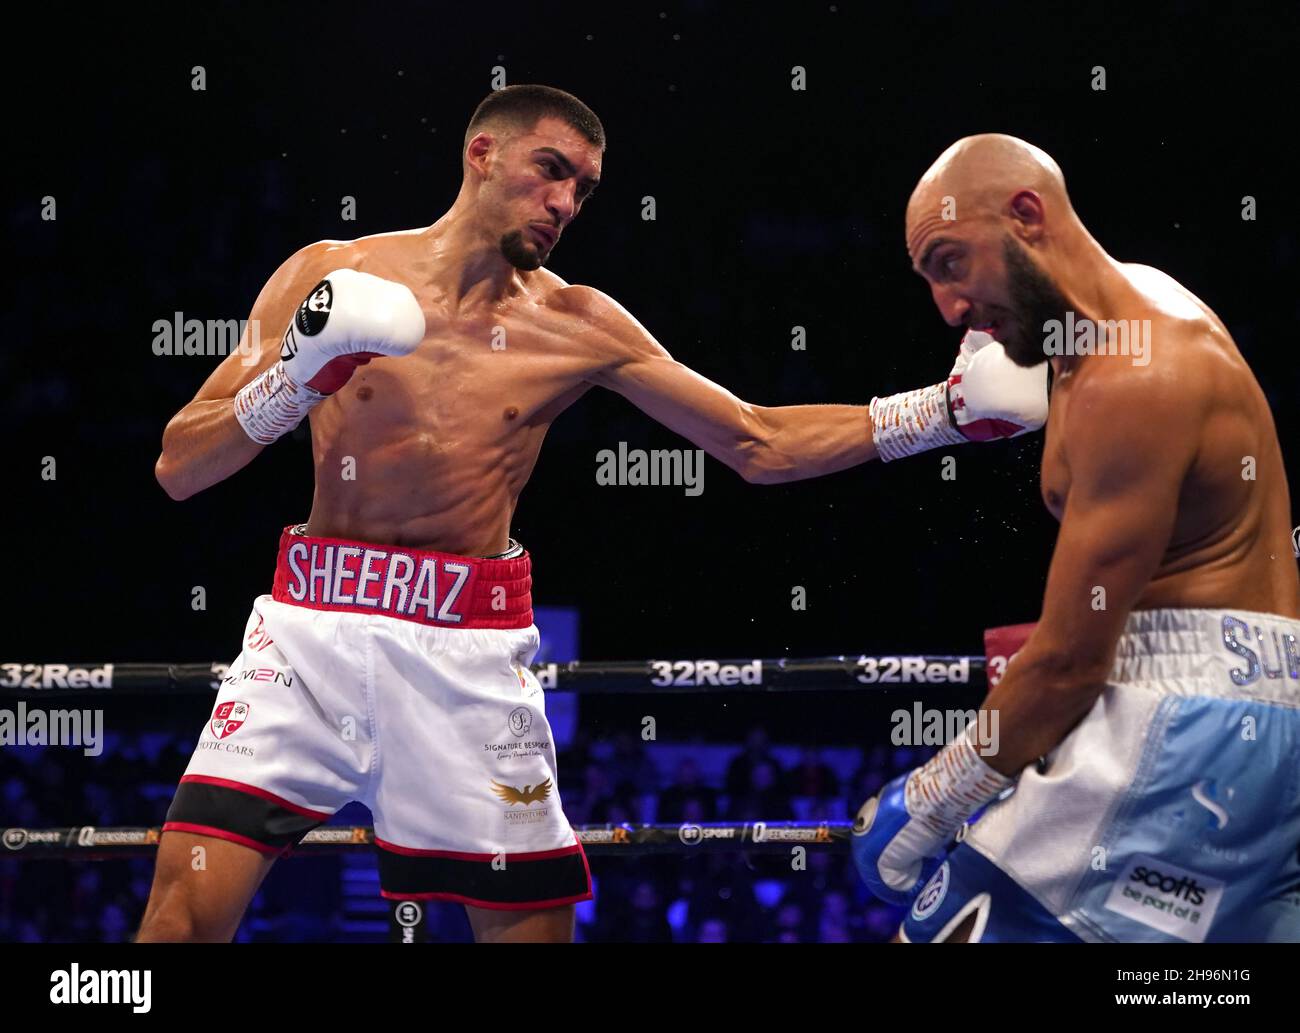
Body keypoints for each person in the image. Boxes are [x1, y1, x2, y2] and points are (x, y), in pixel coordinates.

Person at [138, 90, 1046, 944]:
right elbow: (180, 465)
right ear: (481, 153)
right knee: (180, 920)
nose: (567, 200)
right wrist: (294, 376)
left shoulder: (578, 323)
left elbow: (755, 440)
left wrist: (939, 414)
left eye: (585, 188)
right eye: (551, 169)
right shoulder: (327, 273)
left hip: (469, 659)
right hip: (309, 636)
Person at [852, 133, 1300, 943]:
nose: (949, 309)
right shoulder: (1118, 316)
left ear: (1027, 215)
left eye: (952, 265)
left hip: (1180, 731)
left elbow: (1066, 663)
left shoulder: (1134, 381)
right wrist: (941, 408)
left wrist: (927, 799)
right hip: (1247, 716)